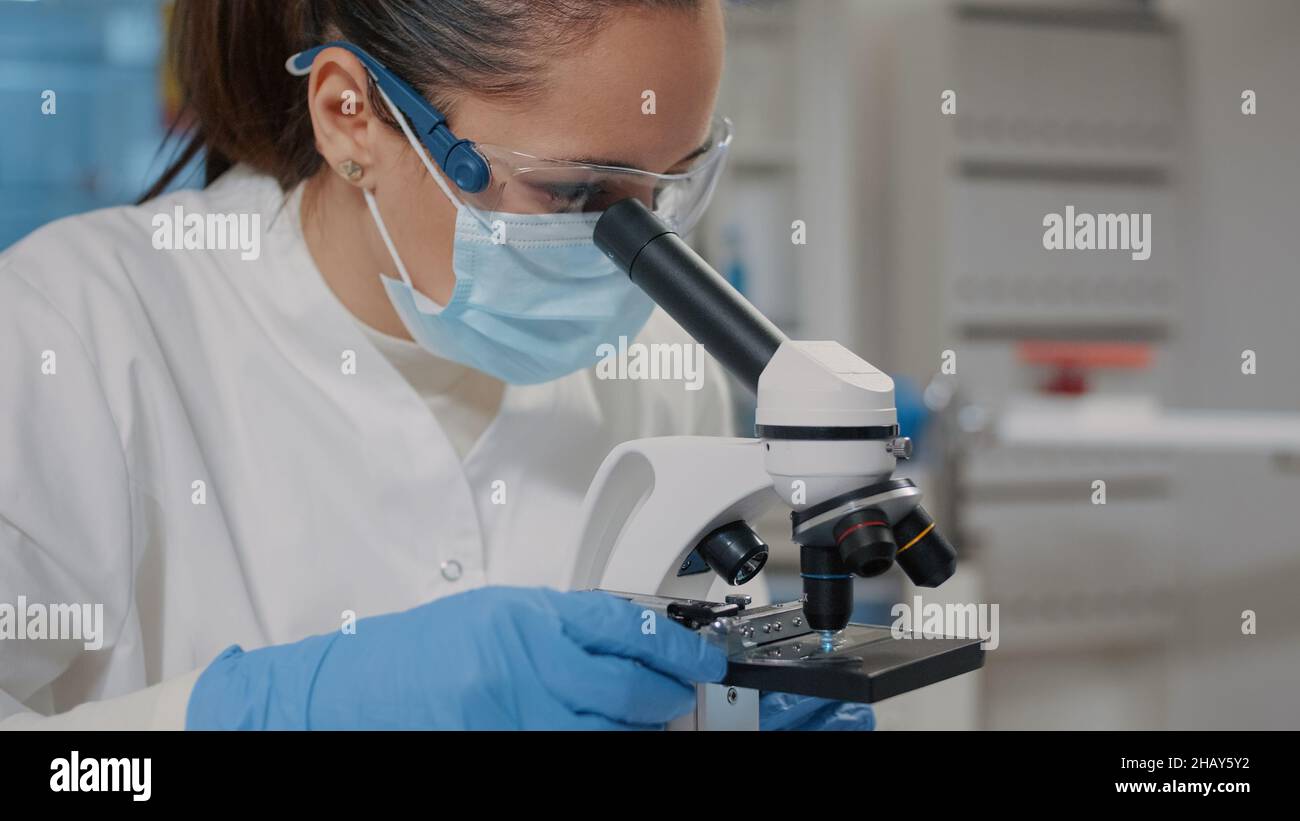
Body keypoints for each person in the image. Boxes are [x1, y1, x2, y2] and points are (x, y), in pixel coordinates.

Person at [0, 0, 871, 730]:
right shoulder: (71, 330)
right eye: (573, 194)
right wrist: (260, 715)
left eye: (669, 186)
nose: (632, 257)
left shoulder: (658, 362)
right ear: (351, 117)